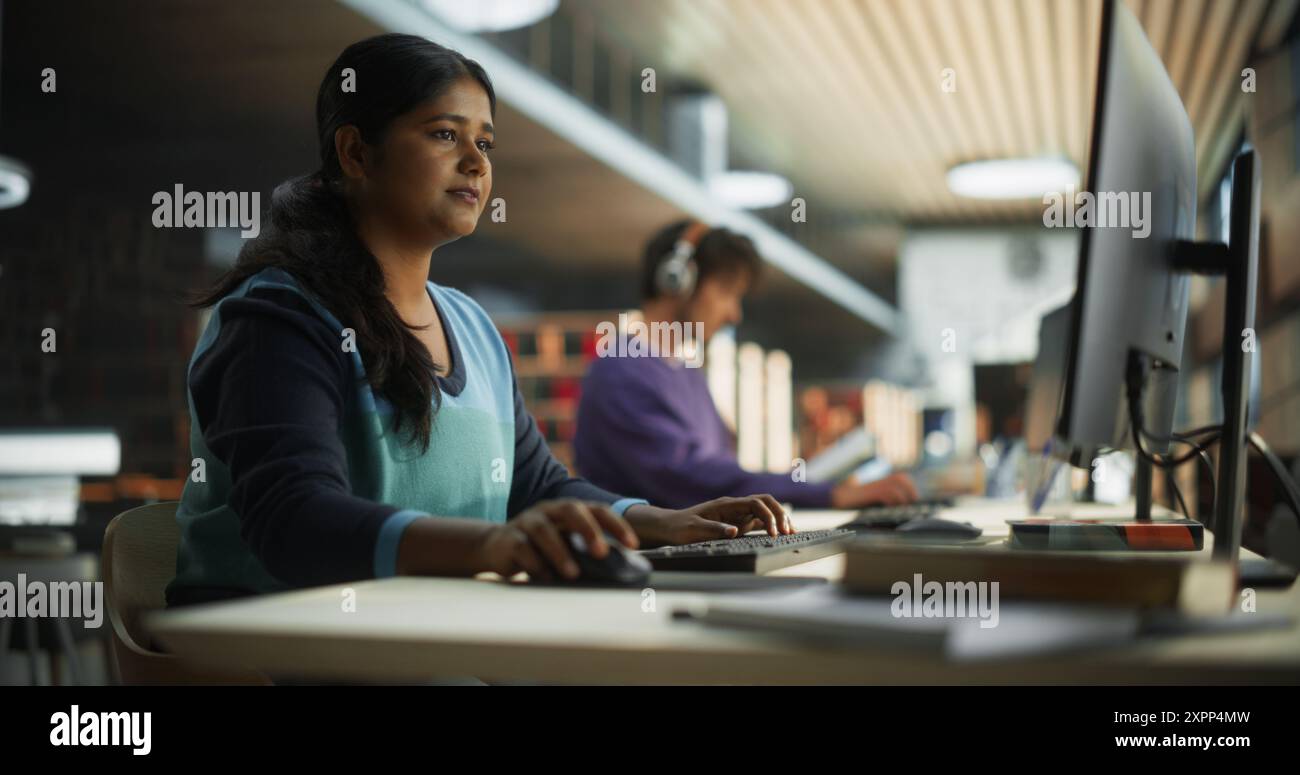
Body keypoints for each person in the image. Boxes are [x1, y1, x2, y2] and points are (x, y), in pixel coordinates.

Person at [166, 35, 790, 608]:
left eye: (485, 143)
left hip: (432, 635)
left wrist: (664, 521)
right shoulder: (276, 316)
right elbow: (295, 520)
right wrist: (490, 547)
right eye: (444, 134)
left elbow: (536, 485)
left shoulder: (471, 326)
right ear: (356, 152)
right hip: (287, 653)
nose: (476, 162)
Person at [573, 220, 918, 510]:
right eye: (726, 291)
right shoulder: (622, 371)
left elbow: (719, 472)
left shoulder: (684, 371)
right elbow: (690, 480)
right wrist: (830, 494)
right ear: (676, 281)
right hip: (642, 568)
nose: (733, 314)